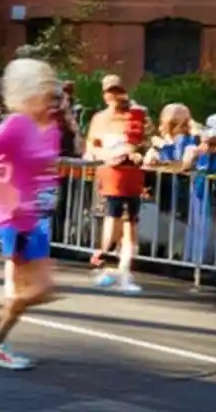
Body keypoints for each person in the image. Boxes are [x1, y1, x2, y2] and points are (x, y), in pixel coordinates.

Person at [0, 58, 62, 370]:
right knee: (39, 289)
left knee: (39, 290)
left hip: (35, 218)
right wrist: (3, 195)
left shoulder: (49, 127)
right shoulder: (16, 124)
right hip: (15, 219)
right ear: (28, 94)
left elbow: (43, 166)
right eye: (47, 93)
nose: (53, 100)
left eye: (54, 94)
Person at [84, 74, 145, 293]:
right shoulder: (99, 119)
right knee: (112, 223)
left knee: (130, 227)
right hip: (111, 177)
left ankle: (125, 273)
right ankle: (105, 266)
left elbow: (144, 142)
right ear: (104, 94)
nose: (114, 96)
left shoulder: (137, 115)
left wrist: (138, 152)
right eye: (110, 91)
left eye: (118, 91)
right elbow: (91, 147)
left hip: (133, 178)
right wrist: (106, 155)